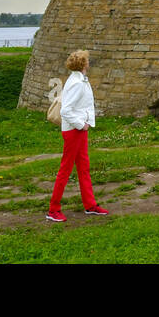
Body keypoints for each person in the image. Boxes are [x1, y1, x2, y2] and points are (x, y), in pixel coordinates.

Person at [46, 49, 109, 222]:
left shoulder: (79, 79)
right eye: (87, 60)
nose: (89, 62)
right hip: (74, 130)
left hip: (79, 130)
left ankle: (90, 205)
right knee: (65, 169)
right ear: (83, 64)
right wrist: (82, 124)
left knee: (83, 167)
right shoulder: (77, 83)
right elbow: (66, 110)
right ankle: (53, 209)